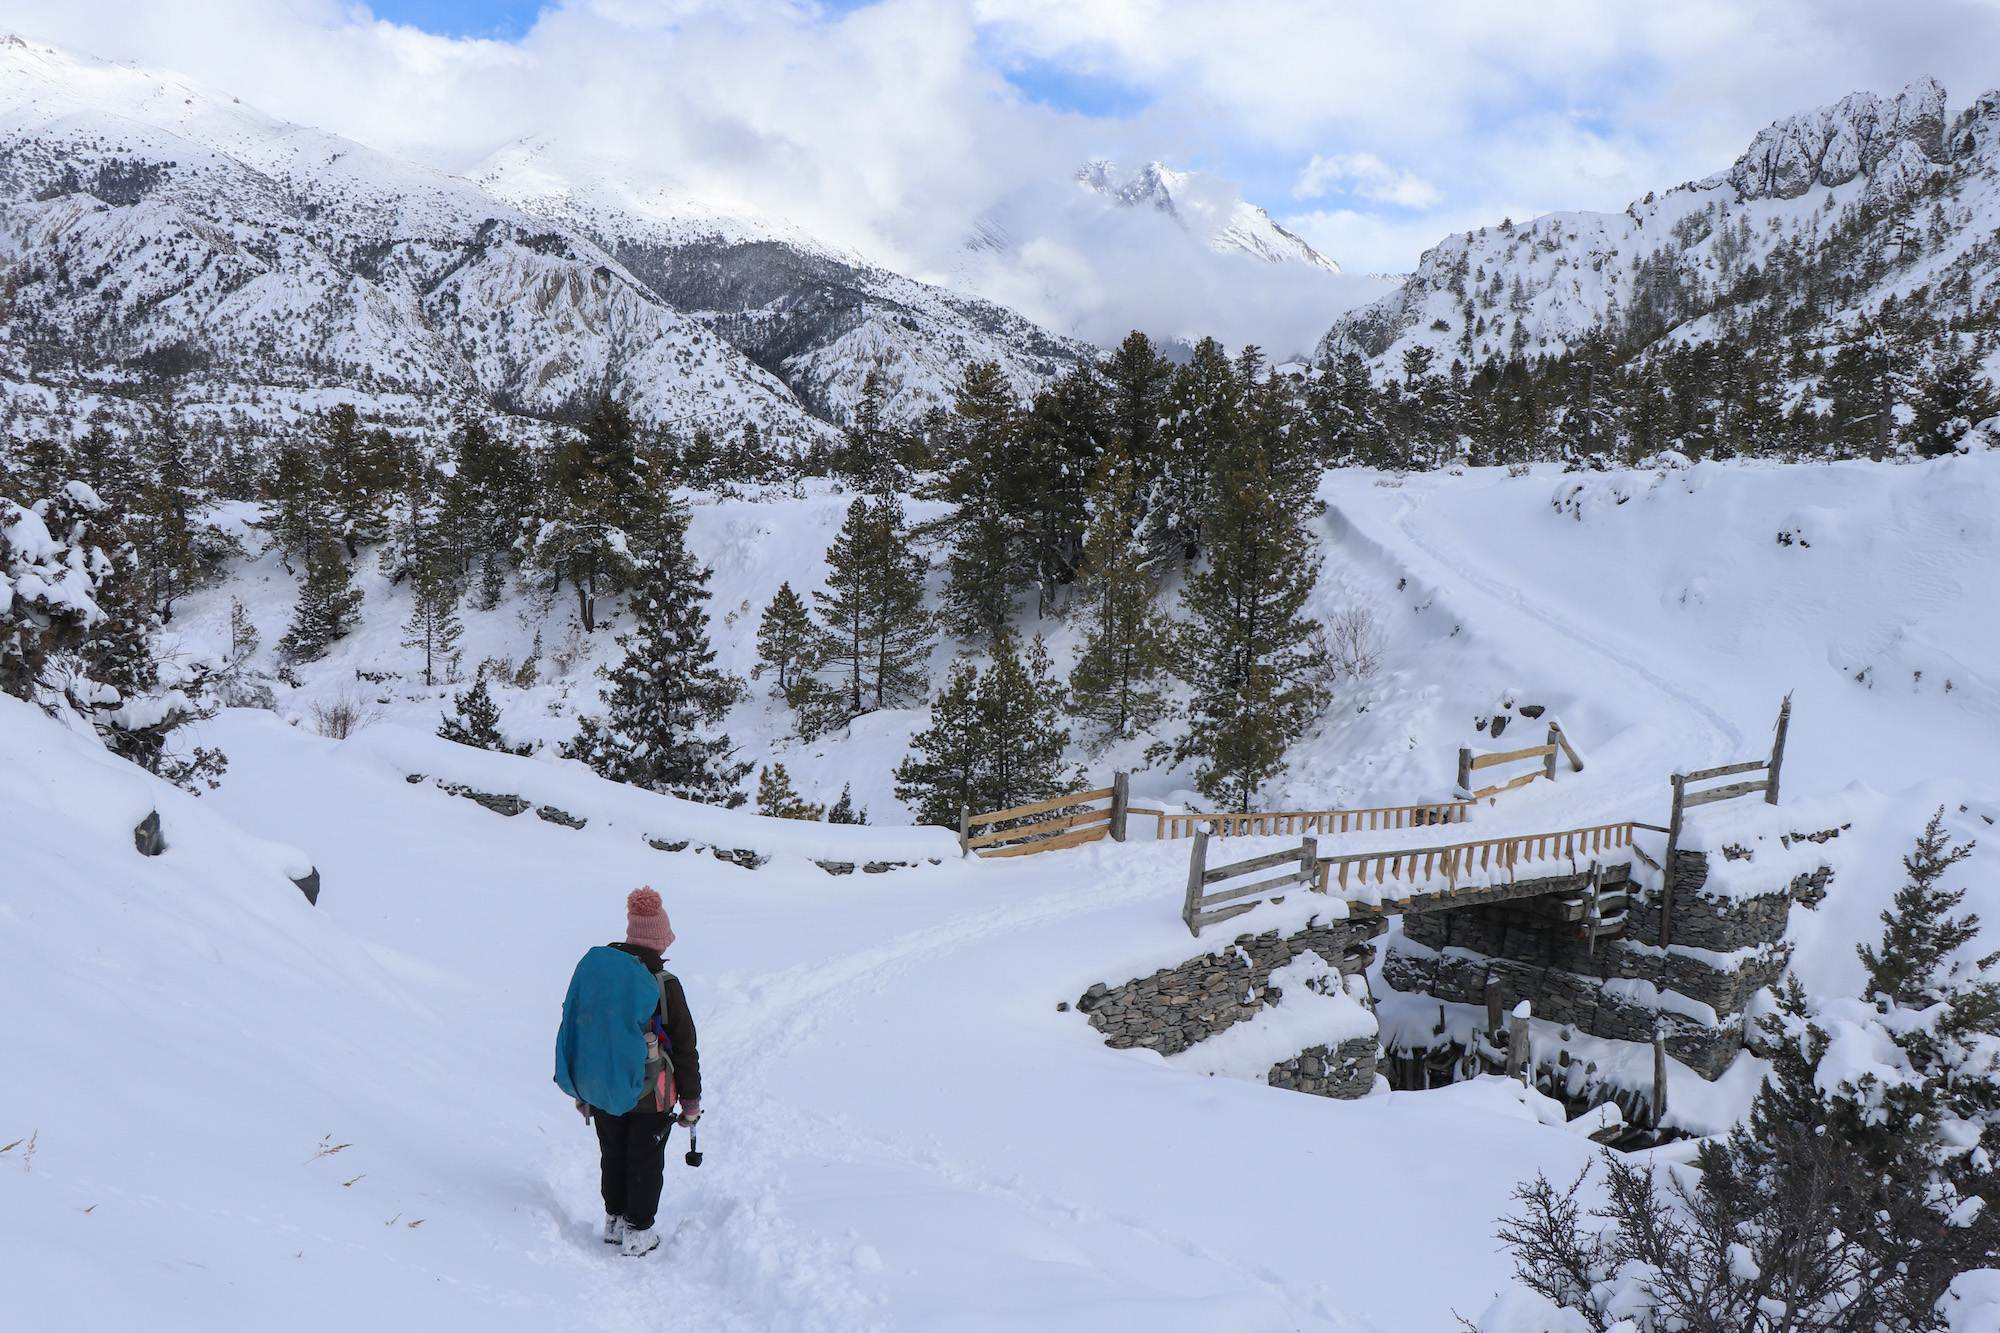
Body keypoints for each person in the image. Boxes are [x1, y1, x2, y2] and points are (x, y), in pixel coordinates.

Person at [553, 887, 702, 1257]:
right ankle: (638, 1232)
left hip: (605, 1088)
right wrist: (690, 1101)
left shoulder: (603, 975)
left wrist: (582, 1089)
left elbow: (582, 1028)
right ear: (659, 941)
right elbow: (684, 1047)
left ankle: (614, 1221)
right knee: (645, 1161)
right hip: (652, 1094)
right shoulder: (664, 984)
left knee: (613, 1154)